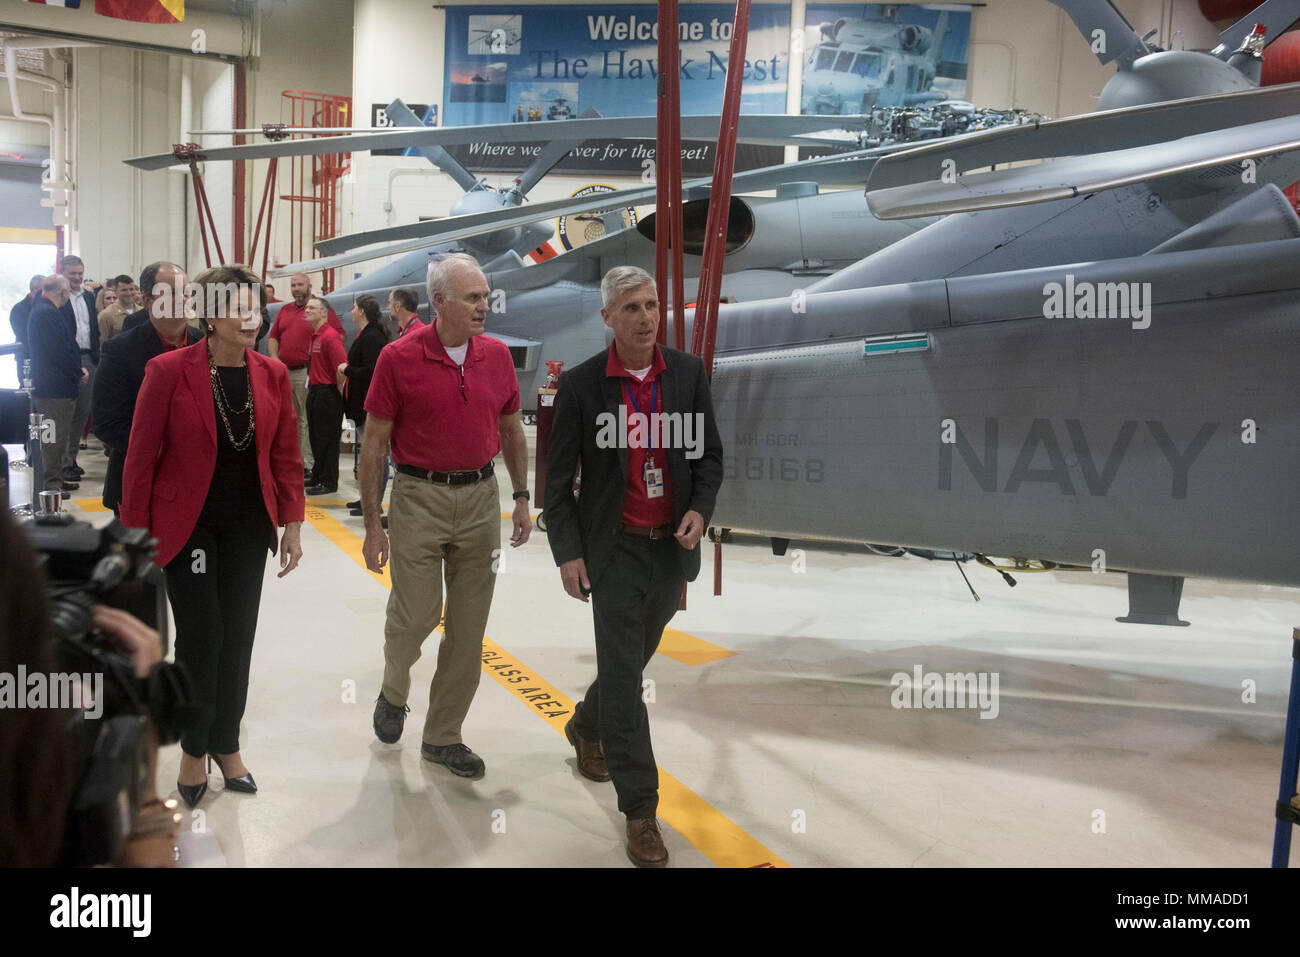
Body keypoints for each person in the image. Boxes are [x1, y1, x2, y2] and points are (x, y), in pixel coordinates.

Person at [543, 265, 724, 868]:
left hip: (669, 547)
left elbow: (709, 458)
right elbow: (556, 481)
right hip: (613, 549)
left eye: (651, 305)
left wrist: (700, 508)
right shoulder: (583, 387)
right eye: (632, 308)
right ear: (608, 318)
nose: (646, 317)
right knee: (626, 680)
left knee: (631, 662)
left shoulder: (688, 375)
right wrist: (568, 552)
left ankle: (585, 725)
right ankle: (641, 811)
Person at [119, 263, 304, 807]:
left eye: (256, 306)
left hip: (249, 525)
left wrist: (293, 522)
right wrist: (134, 540)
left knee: (240, 637)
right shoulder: (167, 370)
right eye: (239, 307)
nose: (253, 317)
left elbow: (285, 455)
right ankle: (194, 750)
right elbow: (140, 459)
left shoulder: (269, 373)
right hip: (189, 527)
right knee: (203, 640)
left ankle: (228, 744)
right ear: (210, 316)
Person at [359, 253, 531, 777]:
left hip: (481, 497)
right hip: (418, 495)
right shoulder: (398, 357)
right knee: (417, 615)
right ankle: (394, 688)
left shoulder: (497, 356)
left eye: (485, 295)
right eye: (473, 297)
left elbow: (511, 431)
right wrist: (372, 523)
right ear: (439, 302)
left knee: (467, 625)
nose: (485, 306)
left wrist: (522, 496)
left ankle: (443, 735)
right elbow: (373, 443)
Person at [92, 265, 202, 516]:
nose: (183, 299)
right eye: (171, 292)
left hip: (195, 483)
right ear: (148, 299)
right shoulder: (120, 351)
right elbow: (108, 424)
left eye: (186, 292)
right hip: (138, 481)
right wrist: (169, 449)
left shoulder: (204, 345)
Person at [267, 272, 343, 478]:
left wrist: (315, 360)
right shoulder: (285, 310)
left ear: (309, 286)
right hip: (285, 372)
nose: (296, 289)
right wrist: (275, 359)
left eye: (300, 284)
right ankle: (295, 461)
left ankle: (309, 463)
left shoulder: (319, 310)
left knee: (306, 420)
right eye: (293, 285)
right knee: (289, 419)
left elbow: (336, 335)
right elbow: (273, 338)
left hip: (306, 373)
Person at [27, 275, 87, 493]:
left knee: (59, 438)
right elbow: (59, 351)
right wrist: (77, 372)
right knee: (52, 440)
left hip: (57, 387)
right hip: (52, 390)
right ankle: (50, 485)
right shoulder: (46, 313)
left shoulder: (45, 310)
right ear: (63, 292)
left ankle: (56, 479)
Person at [339, 295, 390, 515]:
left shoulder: (371, 338)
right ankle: (367, 499)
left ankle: (373, 502)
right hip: (360, 406)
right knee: (369, 455)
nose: (351, 312)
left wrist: (345, 369)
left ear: (361, 311)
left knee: (376, 455)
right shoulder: (366, 335)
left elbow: (371, 372)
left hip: (368, 407)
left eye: (353, 308)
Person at [58, 255, 100, 483]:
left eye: (79, 273)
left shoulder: (88, 297)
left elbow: (92, 329)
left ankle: (71, 460)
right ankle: (62, 462)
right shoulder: (59, 299)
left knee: (83, 412)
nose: (76, 277)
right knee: (66, 413)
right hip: (66, 361)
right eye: (72, 273)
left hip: (88, 358)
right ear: (63, 273)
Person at [304, 295, 349, 495]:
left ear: (324, 312)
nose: (307, 310)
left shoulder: (330, 336)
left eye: (312, 308)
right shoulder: (316, 336)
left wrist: (338, 394)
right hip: (314, 391)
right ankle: (318, 474)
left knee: (327, 439)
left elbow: (341, 368)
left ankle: (329, 481)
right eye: (306, 307)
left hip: (327, 393)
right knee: (315, 437)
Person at [8, 274, 44, 380]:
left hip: (44, 360)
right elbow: (22, 335)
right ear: (33, 288)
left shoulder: (47, 307)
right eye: (44, 289)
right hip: (26, 357)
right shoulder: (19, 309)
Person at [96, 274, 139, 344]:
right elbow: (102, 343)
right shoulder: (106, 315)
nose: (129, 293)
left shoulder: (142, 311)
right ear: (115, 291)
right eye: (124, 290)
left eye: (131, 289)